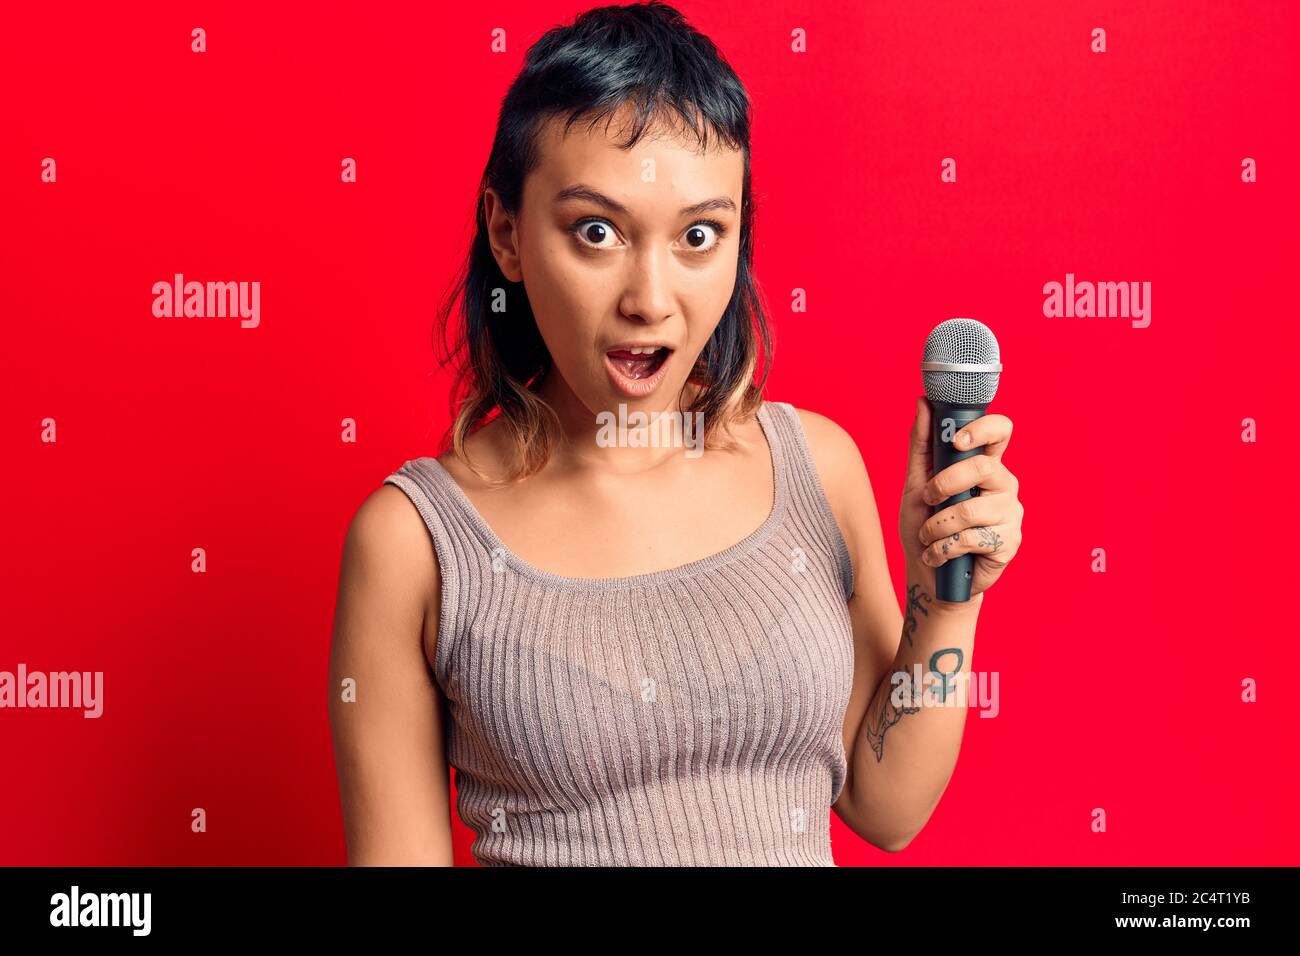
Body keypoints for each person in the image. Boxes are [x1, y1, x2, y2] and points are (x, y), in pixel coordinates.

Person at [328, 0, 1024, 867]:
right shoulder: (415, 543)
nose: (650, 298)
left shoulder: (814, 467)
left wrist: (947, 600)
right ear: (507, 234)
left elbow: (888, 807)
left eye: (699, 235)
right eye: (596, 232)